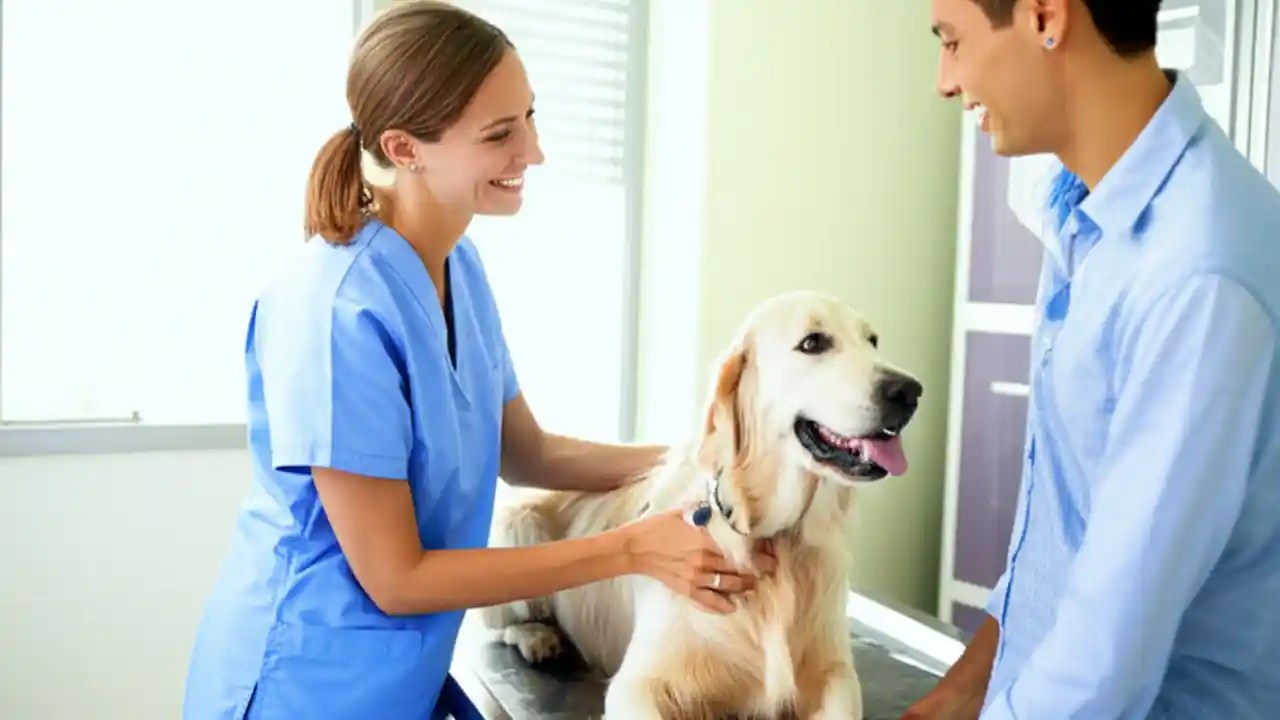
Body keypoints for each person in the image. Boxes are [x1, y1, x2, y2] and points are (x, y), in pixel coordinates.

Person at [181, 3, 775, 718]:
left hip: (404, 672)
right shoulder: (336, 312)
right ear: (405, 149)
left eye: (529, 117)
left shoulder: (456, 265)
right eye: (500, 134)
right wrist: (631, 549)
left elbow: (529, 454)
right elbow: (396, 578)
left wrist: (712, 458)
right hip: (309, 682)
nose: (534, 151)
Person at [906, 1, 1280, 718]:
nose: (943, 81)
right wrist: (962, 692)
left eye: (952, 42)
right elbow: (1063, 530)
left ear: (1047, 15)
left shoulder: (1199, 276)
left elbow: (1104, 667)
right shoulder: (1089, 215)